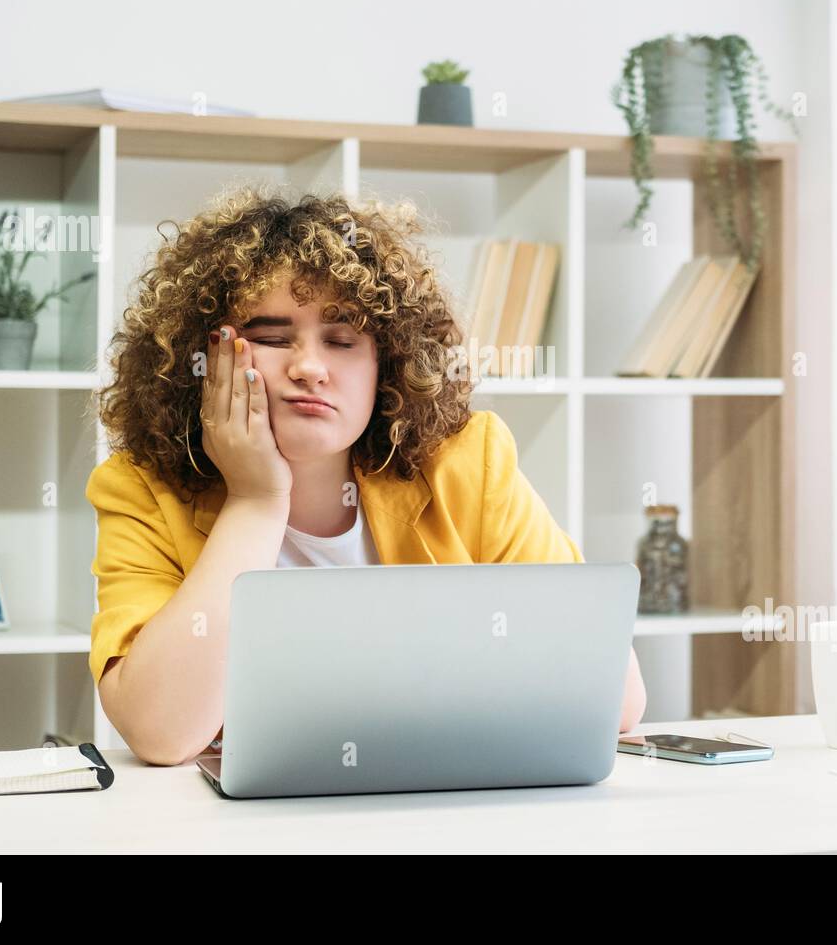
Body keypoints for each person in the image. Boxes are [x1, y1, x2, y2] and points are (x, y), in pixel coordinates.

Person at [86, 187, 647, 765]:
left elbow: (617, 698)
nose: (309, 367)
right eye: (273, 339)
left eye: (343, 340)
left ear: (388, 363)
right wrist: (256, 501)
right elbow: (160, 732)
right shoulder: (139, 488)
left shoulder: (469, 464)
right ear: (201, 358)